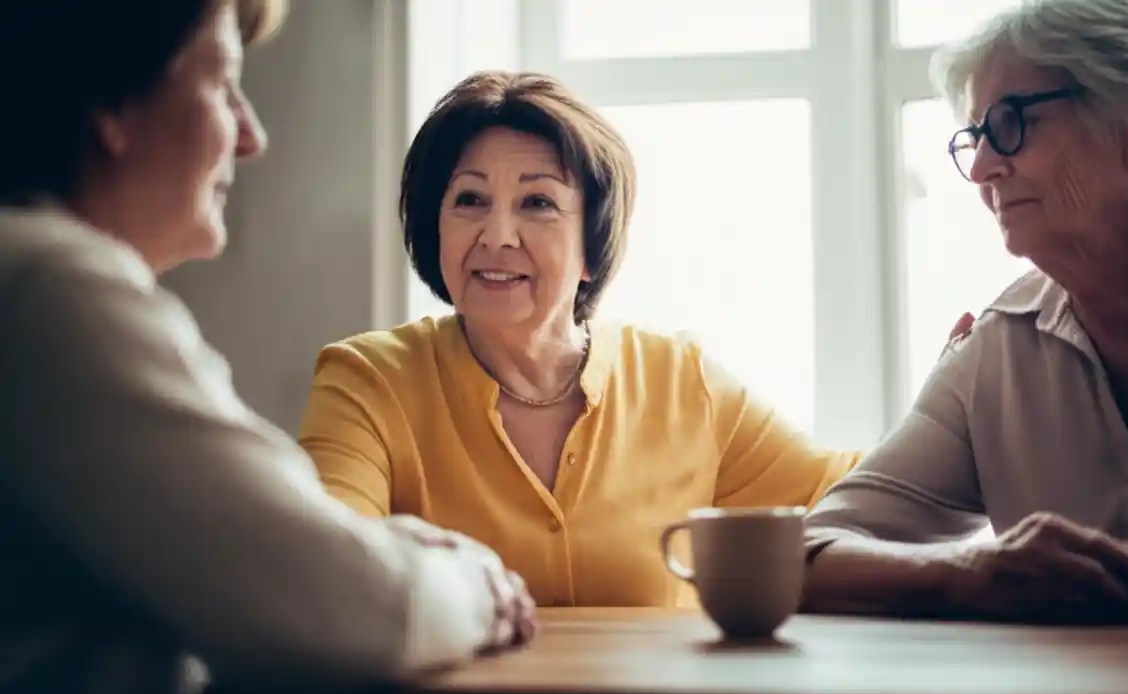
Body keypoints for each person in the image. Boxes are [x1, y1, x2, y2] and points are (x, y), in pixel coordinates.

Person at [0, 2, 533, 694]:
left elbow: (264, 551)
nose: (251, 137)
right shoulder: (49, 288)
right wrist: (478, 587)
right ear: (115, 105)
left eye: (539, 204)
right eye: (224, 87)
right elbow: (353, 613)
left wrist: (371, 550)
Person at [298, 71, 860, 609]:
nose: (497, 236)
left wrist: (948, 394)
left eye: (537, 203)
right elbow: (326, 571)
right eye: (470, 200)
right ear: (434, 226)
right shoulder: (367, 380)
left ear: (592, 245)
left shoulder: (682, 382)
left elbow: (855, 494)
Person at [804, 0, 1128, 624]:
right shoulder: (992, 352)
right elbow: (804, 554)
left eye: (1009, 124)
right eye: (974, 137)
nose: (979, 169)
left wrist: (1103, 583)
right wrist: (965, 574)